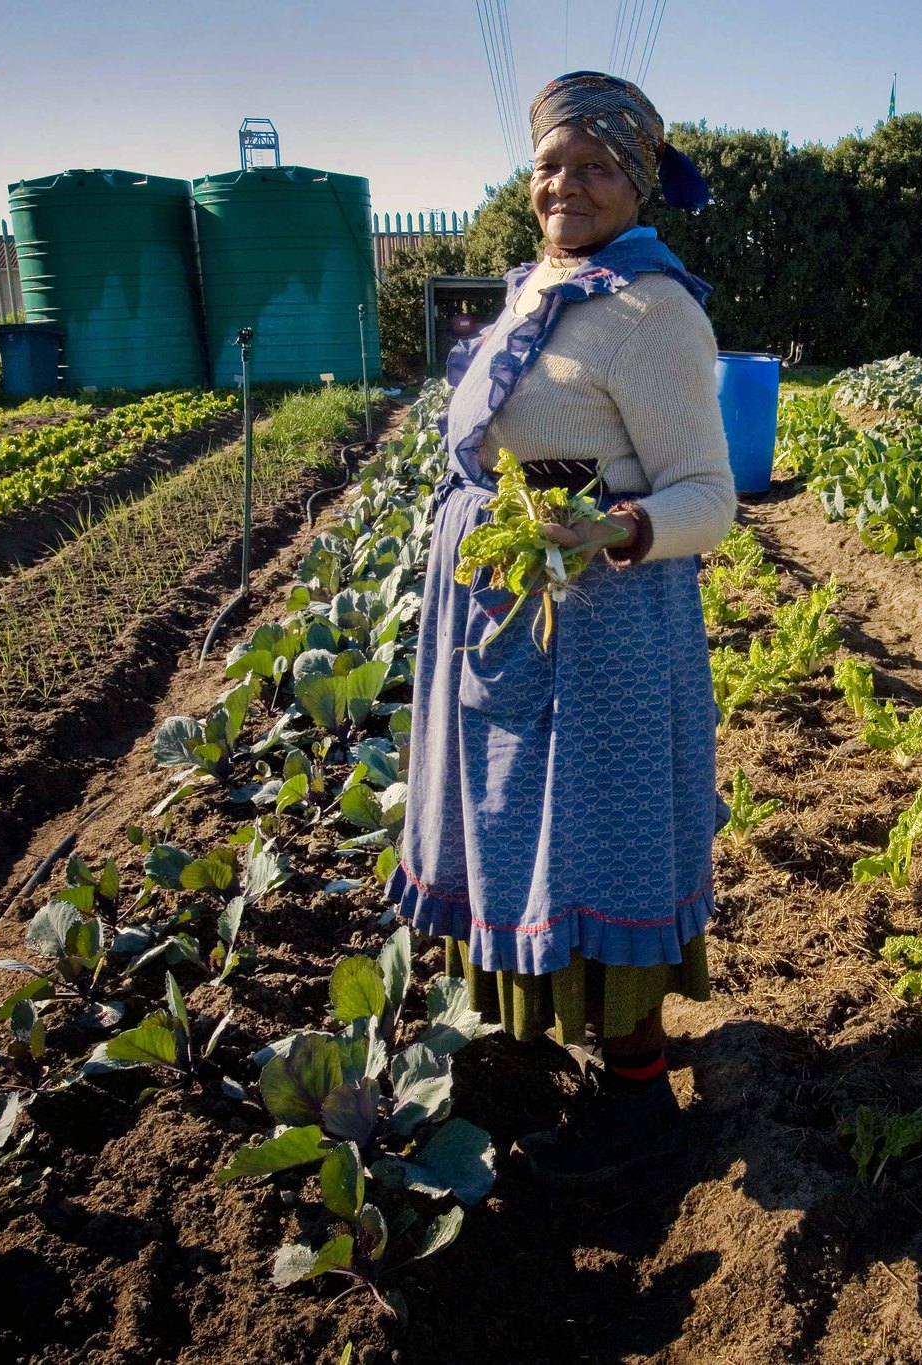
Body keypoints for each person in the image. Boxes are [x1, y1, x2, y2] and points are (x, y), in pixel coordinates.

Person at [386, 70, 733, 1188]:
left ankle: (636, 1103)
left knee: (599, 840)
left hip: (602, 633)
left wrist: (617, 528)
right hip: (498, 617)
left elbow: (707, 497)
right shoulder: (542, 288)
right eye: (548, 165)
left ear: (636, 181)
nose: (564, 185)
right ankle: (528, 1054)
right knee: (502, 828)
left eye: (592, 166)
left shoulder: (651, 310)